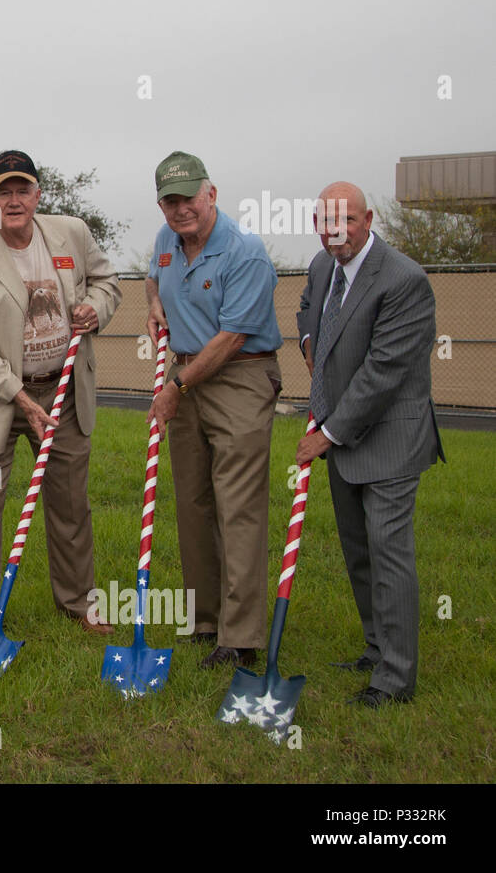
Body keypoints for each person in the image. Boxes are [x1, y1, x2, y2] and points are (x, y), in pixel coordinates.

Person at [0, 150, 121, 640]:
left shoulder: (71, 233)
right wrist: (21, 399)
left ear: (38, 193)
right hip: (2, 402)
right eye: (4, 191)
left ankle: (78, 605)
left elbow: (108, 283)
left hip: (63, 395)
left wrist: (95, 309)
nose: (15, 200)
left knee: (69, 505)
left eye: (23, 189)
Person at [296, 182, 443, 707]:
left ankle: (396, 678)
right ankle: (376, 646)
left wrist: (325, 436)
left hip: (389, 439)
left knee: (389, 553)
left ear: (369, 218)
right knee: (359, 553)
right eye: (326, 223)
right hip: (341, 435)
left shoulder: (404, 280)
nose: (336, 234)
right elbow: (308, 312)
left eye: (347, 222)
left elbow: (383, 373)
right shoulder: (321, 266)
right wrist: (311, 347)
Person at [145, 151, 283, 670]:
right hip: (185, 375)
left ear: (212, 194)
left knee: (237, 504)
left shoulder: (245, 252)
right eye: (170, 201)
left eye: (189, 198)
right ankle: (204, 620)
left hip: (239, 375)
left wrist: (175, 386)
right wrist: (152, 302)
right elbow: (153, 278)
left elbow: (231, 337)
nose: (181, 210)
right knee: (194, 502)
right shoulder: (165, 242)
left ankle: (240, 637)